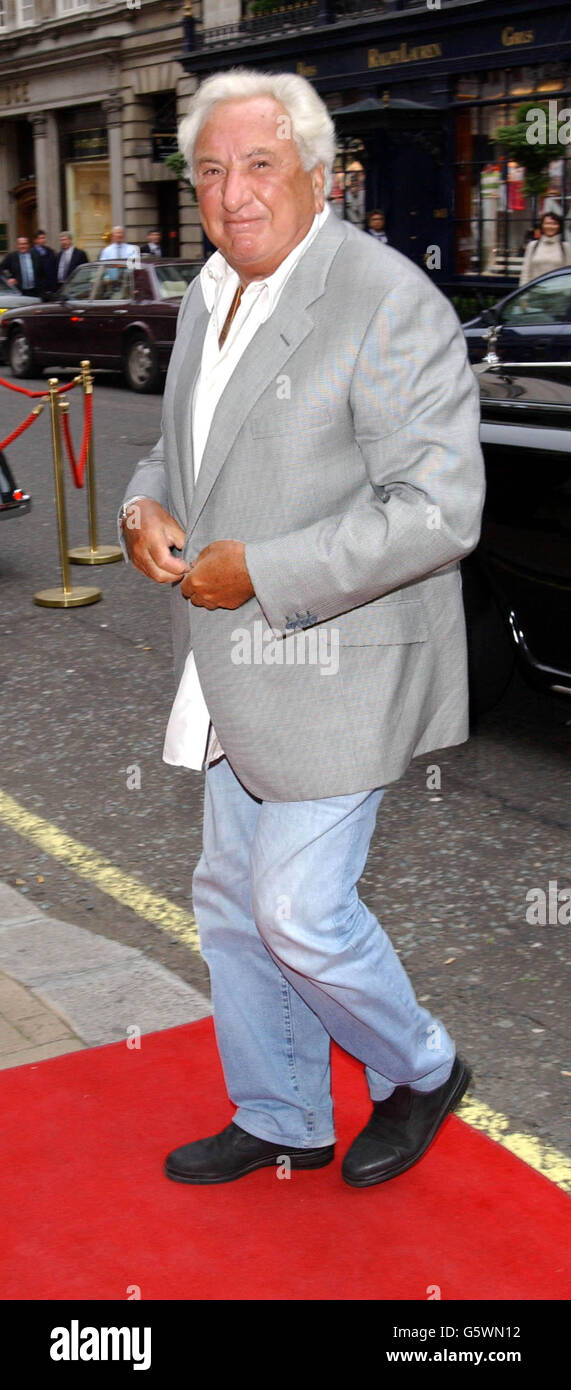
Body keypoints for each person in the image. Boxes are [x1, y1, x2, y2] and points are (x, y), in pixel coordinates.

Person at [119, 68, 485, 1189]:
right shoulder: (205, 295)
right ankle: (282, 1111)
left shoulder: (383, 299)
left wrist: (262, 572)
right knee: (232, 903)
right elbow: (182, 453)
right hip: (231, 671)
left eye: (260, 164)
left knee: (296, 909)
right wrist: (142, 503)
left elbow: (437, 509)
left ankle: (420, 1067)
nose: (234, 194)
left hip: (336, 664)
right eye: (212, 171)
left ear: (321, 174)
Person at [519, 211, 571, 286]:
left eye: (554, 223)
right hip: (536, 291)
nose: (550, 226)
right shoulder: (533, 245)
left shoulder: (565, 247)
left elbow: (568, 273)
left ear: (559, 226)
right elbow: (526, 272)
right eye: (547, 223)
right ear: (542, 225)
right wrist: (522, 291)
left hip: (558, 292)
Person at [32, 229, 58, 294]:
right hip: (38, 288)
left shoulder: (50, 251)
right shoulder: (31, 253)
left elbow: (55, 267)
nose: (43, 240)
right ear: (36, 240)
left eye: (44, 238)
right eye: (40, 238)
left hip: (51, 287)